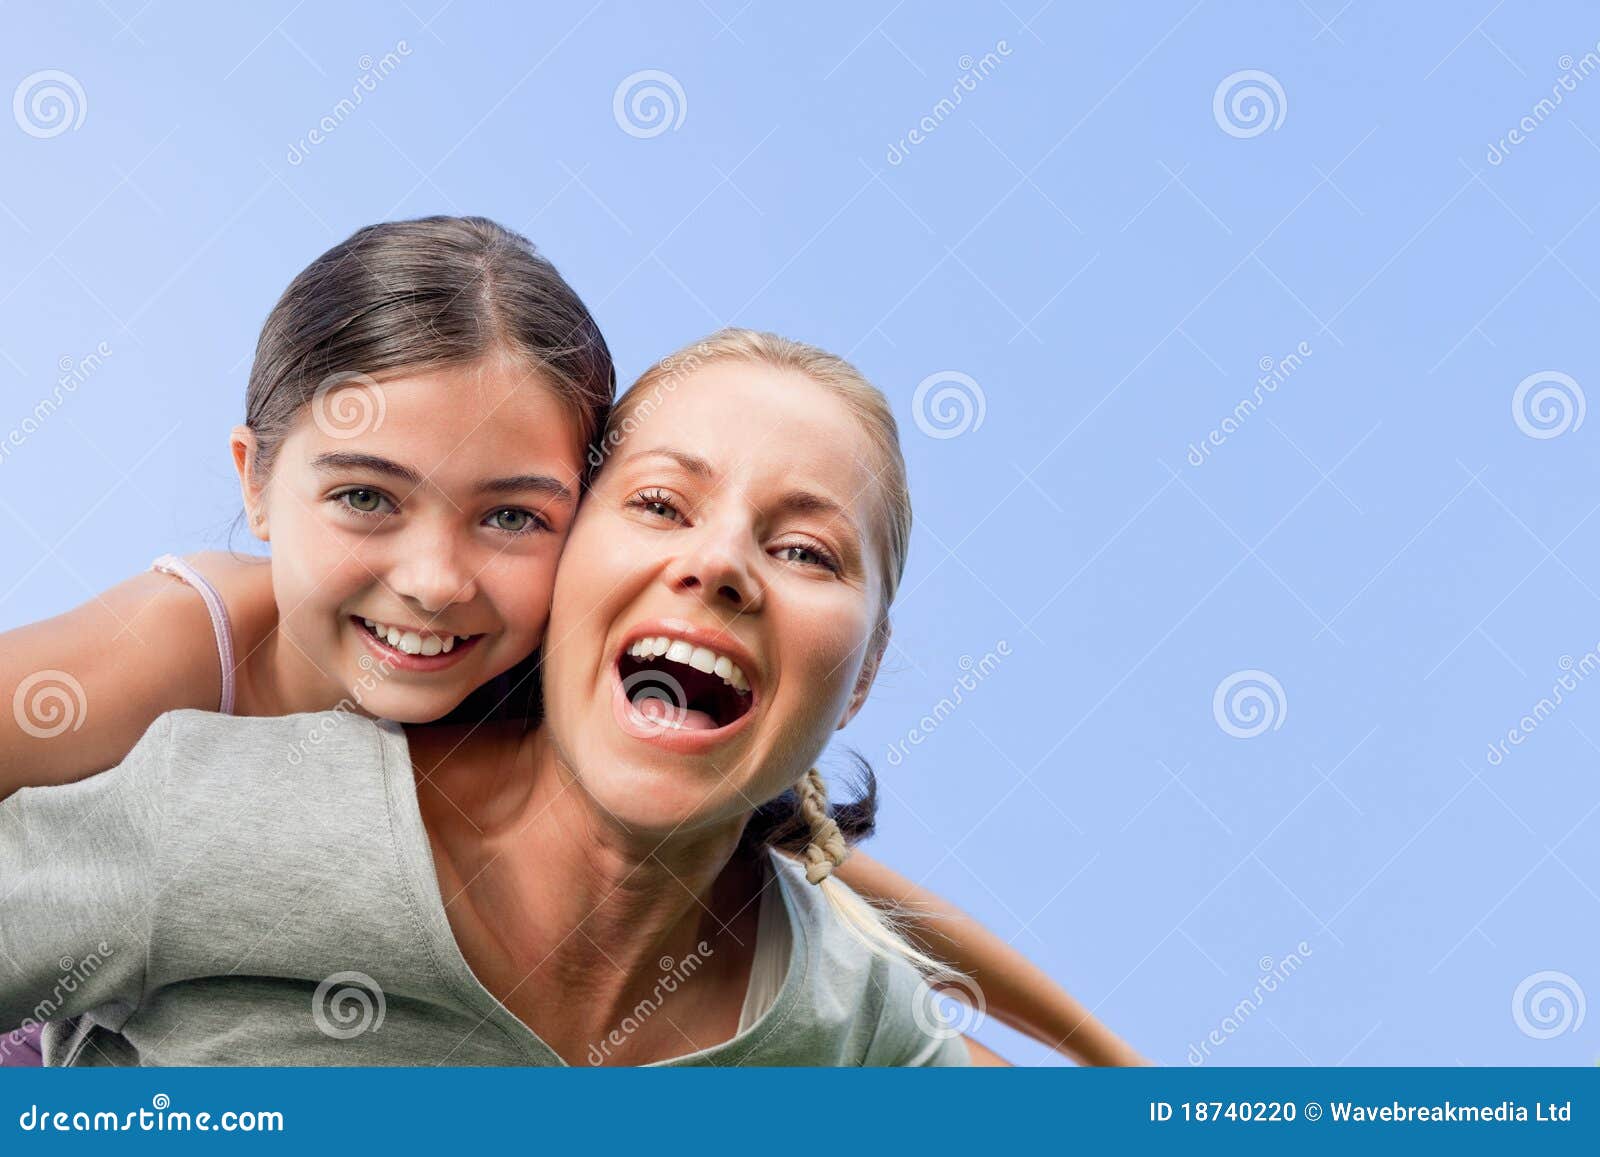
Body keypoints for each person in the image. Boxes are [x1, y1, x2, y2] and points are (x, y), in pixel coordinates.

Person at [0, 219, 1140, 1066]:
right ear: (254, 482)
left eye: (511, 516)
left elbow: (830, 879)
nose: (436, 580)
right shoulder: (187, 653)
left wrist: (1115, 1069)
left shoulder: (539, 699)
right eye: (364, 497)